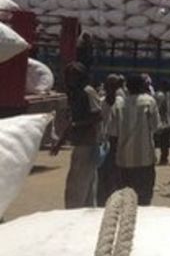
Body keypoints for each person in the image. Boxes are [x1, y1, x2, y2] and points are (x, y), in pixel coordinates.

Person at [50, 62, 102, 208]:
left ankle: (74, 212)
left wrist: (77, 125)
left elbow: (97, 116)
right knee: (86, 184)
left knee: (77, 185)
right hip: (80, 143)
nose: (71, 79)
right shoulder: (75, 93)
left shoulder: (87, 92)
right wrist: (60, 142)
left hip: (87, 143)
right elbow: (72, 120)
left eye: (74, 76)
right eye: (69, 75)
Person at [107, 74, 160, 205]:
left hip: (124, 160)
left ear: (127, 88)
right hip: (145, 159)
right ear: (142, 87)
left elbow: (112, 133)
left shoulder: (118, 104)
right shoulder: (149, 101)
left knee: (126, 200)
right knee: (144, 199)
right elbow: (155, 127)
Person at [96, 74, 124, 205]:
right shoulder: (100, 102)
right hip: (103, 143)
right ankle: (101, 201)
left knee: (117, 174)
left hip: (118, 141)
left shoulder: (121, 103)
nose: (111, 89)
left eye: (114, 86)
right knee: (102, 173)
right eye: (109, 86)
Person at [154, 80, 170, 165]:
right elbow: (157, 109)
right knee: (163, 141)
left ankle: (164, 158)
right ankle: (162, 159)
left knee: (166, 142)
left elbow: (169, 110)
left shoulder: (167, 95)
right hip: (162, 122)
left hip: (166, 122)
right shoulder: (160, 95)